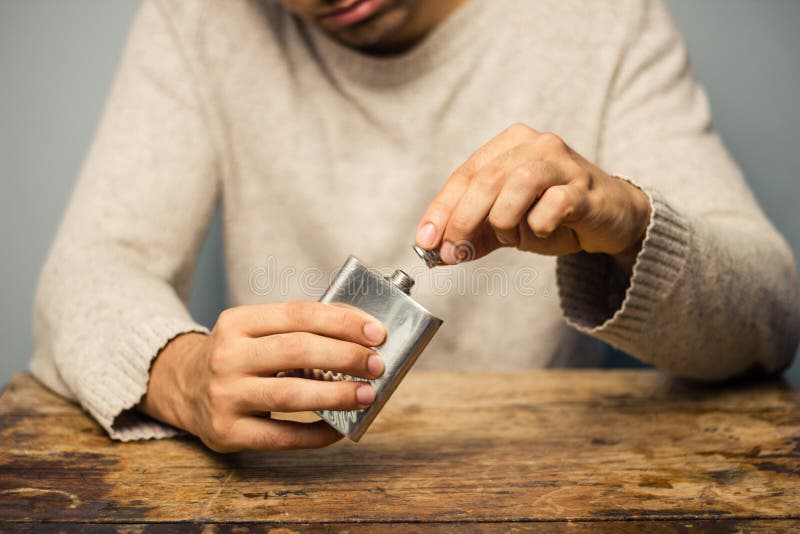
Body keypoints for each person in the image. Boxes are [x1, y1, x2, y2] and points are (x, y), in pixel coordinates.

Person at [31, 0, 799, 453]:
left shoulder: (601, 20)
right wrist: (182, 375)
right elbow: (88, 267)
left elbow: (771, 317)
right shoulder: (198, 19)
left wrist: (629, 222)